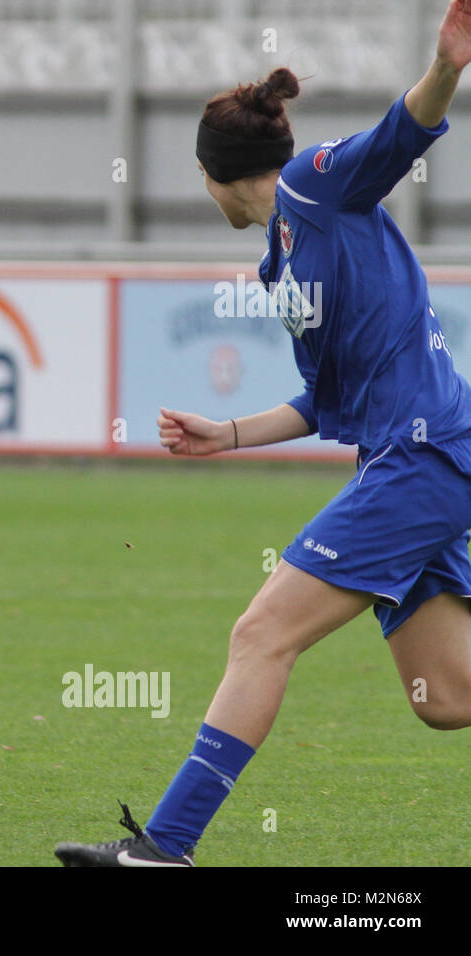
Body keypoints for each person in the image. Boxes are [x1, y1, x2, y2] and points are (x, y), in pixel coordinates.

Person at [55, 0, 471, 866]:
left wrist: (447, 67)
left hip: (423, 455)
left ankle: (164, 849)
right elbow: (325, 398)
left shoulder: (315, 180)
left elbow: (402, 133)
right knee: (446, 695)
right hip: (401, 463)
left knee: (260, 633)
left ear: (216, 174)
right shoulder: (280, 259)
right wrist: (226, 435)